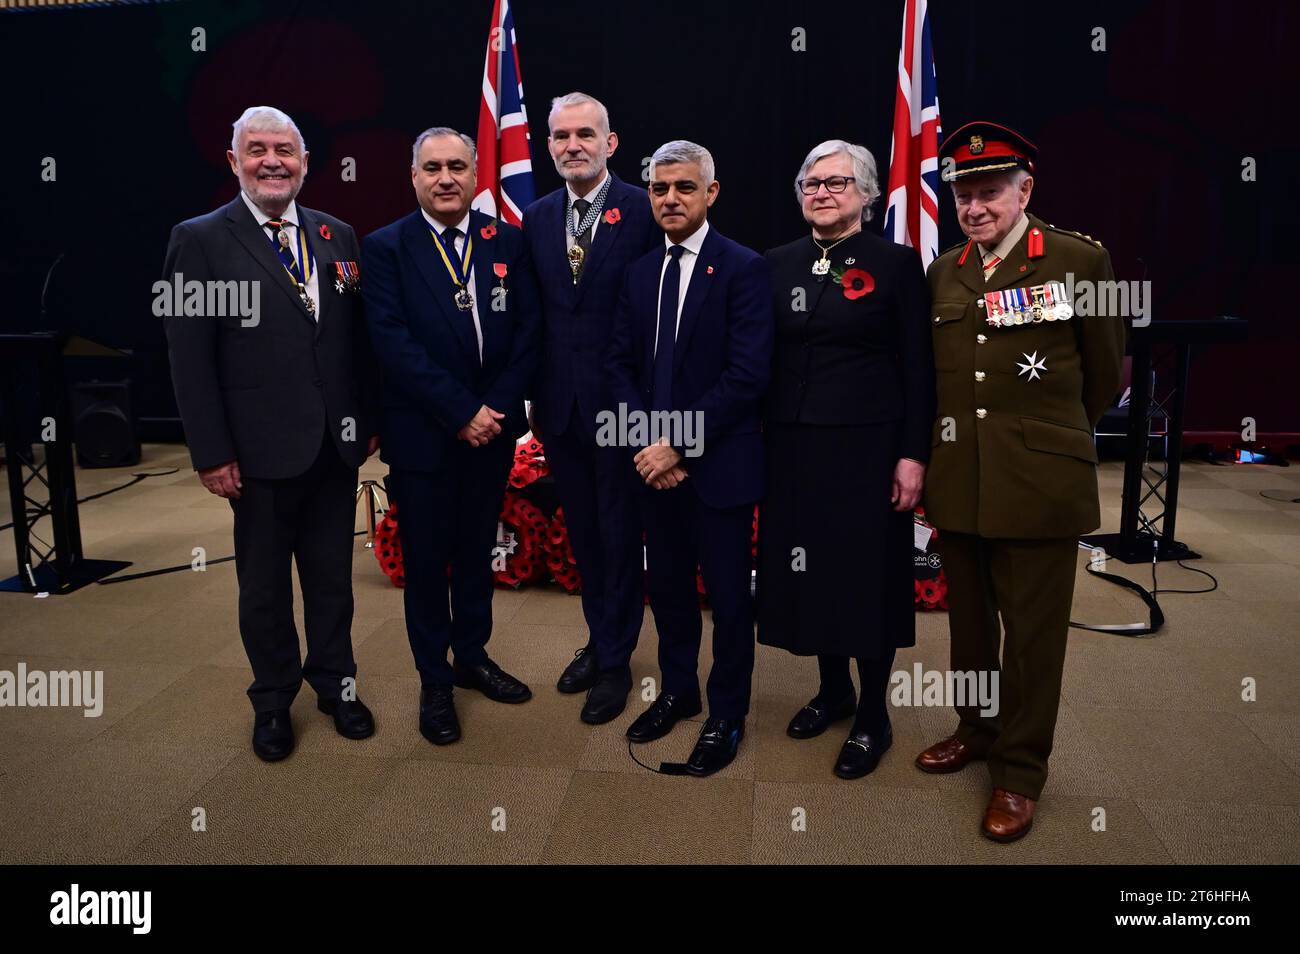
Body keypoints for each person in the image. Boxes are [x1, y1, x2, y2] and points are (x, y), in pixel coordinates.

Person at [915, 122, 1125, 841]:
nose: (975, 207)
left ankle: (1021, 772)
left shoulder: (1079, 261)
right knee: (970, 631)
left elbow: (1103, 377)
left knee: (1033, 639)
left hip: (1039, 482)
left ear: (1024, 190)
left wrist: (1052, 441)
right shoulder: (945, 272)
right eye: (964, 195)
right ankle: (977, 730)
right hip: (962, 478)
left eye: (991, 193)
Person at [162, 106, 379, 762]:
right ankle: (273, 701)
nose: (272, 161)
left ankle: (336, 686)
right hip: (253, 456)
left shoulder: (336, 234)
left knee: (332, 582)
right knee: (262, 588)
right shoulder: (198, 238)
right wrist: (211, 451)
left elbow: (355, 344)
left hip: (333, 450)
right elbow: (187, 357)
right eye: (257, 150)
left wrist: (363, 423)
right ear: (234, 161)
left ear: (306, 162)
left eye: (284, 149)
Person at [757, 140, 934, 778]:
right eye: (811, 182)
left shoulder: (896, 264)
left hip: (867, 447)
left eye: (836, 183)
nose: (822, 192)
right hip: (793, 446)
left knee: (865, 576)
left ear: (866, 194)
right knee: (809, 573)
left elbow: (918, 366)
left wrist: (914, 454)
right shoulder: (775, 263)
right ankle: (835, 692)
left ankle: (873, 716)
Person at [362, 127, 540, 746]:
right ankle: (433, 679)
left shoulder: (506, 241)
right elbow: (392, 343)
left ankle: (472, 656)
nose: (446, 178)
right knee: (429, 561)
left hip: (490, 434)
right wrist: (461, 410)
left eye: (457, 167)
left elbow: (527, 332)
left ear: (474, 176)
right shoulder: (385, 248)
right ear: (414, 177)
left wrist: (491, 408)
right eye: (433, 167)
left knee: (474, 553)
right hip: (424, 437)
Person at [606, 140, 773, 777]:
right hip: (654, 466)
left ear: (711, 192)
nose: (669, 198)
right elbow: (619, 364)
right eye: (658, 188)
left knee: (729, 600)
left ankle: (727, 712)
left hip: (719, 469)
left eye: (683, 187)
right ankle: (679, 690)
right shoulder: (640, 271)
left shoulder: (744, 268)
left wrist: (676, 442)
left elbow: (747, 375)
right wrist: (651, 445)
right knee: (669, 590)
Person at [521, 93, 660, 723]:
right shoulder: (538, 215)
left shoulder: (645, 208)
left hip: (625, 408)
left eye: (585, 134)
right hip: (560, 408)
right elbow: (535, 317)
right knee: (584, 534)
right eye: (559, 136)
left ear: (611, 143)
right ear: (548, 145)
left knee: (619, 534)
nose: (571, 145)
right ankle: (602, 637)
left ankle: (616, 659)